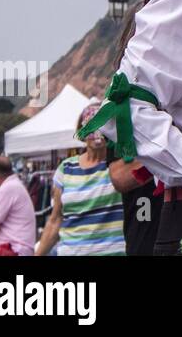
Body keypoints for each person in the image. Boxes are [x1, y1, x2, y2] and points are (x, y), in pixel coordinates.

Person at [34, 103, 131, 256]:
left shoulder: (121, 165)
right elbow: (55, 220)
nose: (98, 131)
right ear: (82, 130)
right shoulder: (66, 168)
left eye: (103, 123)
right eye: (91, 124)